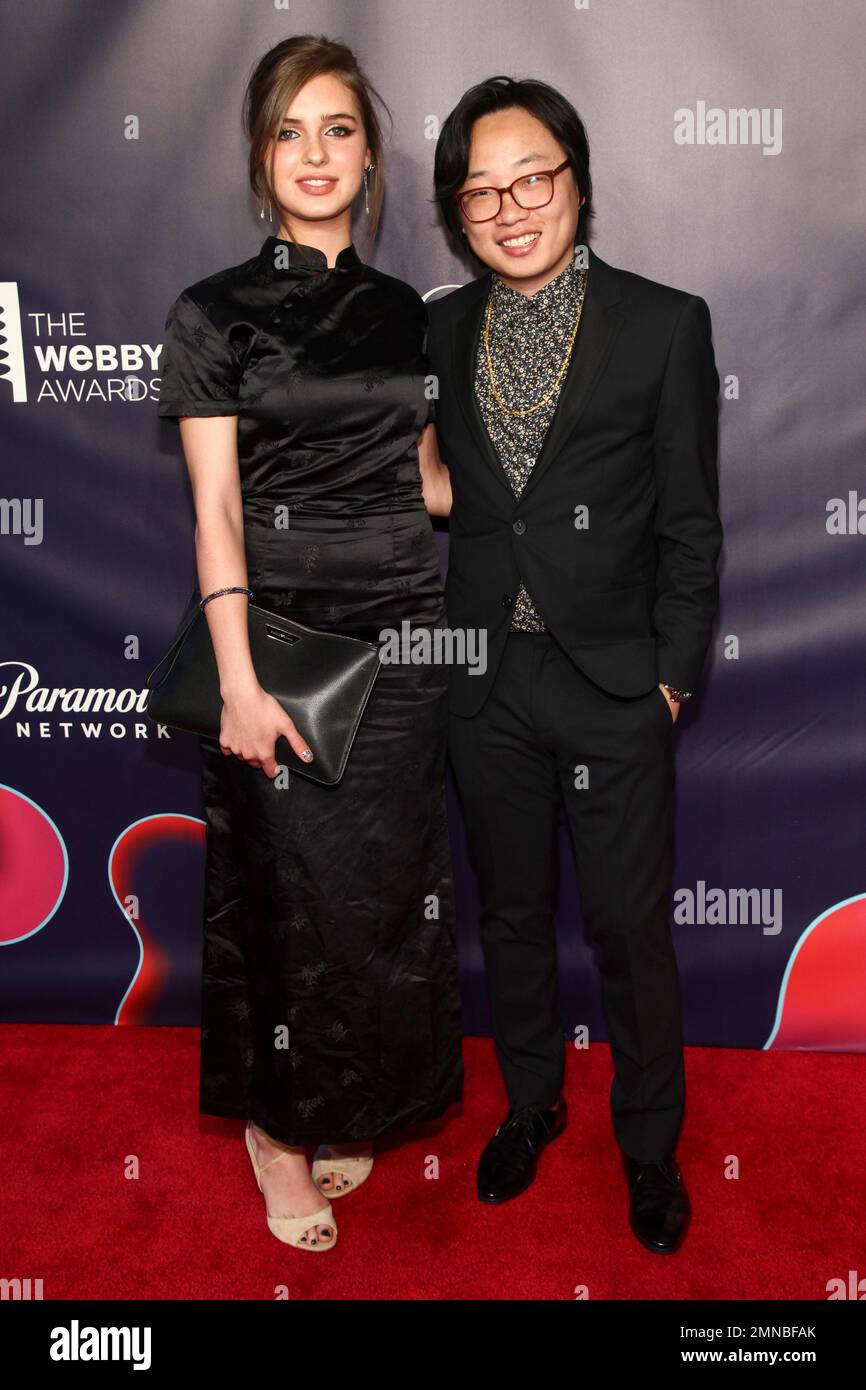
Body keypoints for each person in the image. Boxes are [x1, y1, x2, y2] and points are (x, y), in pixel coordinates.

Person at [156, 35, 463, 1252]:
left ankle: (347, 1100)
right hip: (279, 646)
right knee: (283, 900)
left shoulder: (404, 314)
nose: (315, 153)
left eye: (338, 129)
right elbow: (217, 512)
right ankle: (276, 1133)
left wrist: (567, 471)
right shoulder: (213, 312)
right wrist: (236, 681)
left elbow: (428, 484)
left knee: (379, 899)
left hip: (405, 641)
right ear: (259, 156)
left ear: (370, 154)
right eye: (290, 131)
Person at [422, 76, 722, 1254]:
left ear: (576, 182)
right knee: (507, 914)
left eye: (530, 179)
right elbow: (443, 485)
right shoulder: (439, 328)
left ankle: (646, 1145)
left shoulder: (663, 324)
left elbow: (689, 524)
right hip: (485, 680)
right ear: (457, 210)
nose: (509, 209)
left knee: (628, 928)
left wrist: (669, 678)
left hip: (612, 685)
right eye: (480, 192)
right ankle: (531, 1102)